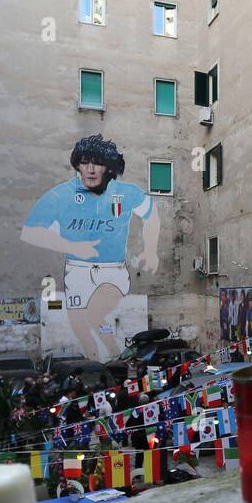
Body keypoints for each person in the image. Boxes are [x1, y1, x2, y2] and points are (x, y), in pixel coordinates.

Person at [20, 135, 160, 361]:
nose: (91, 169)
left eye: (98, 163)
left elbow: (151, 213)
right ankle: (97, 363)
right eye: (85, 162)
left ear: (109, 167)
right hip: (76, 269)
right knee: (77, 321)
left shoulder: (126, 192)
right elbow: (30, 231)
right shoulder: (61, 194)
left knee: (94, 314)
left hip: (112, 269)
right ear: (78, 165)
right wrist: (72, 246)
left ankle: (116, 357)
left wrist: (151, 250)